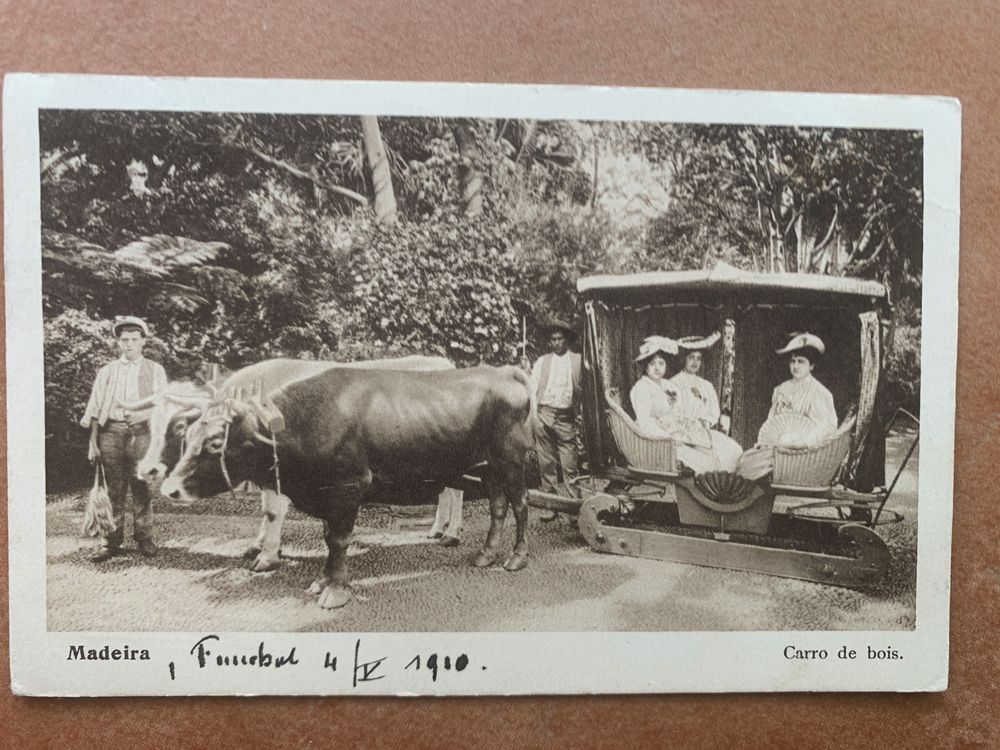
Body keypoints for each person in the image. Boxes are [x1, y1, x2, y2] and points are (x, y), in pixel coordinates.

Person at [80, 316, 167, 561]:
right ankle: (110, 541)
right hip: (111, 433)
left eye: (134, 339)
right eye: (124, 339)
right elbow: (95, 408)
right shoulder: (107, 371)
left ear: (143, 342)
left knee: (142, 487)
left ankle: (144, 538)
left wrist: (143, 416)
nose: (129, 344)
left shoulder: (155, 370)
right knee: (113, 489)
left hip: (142, 433)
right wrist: (93, 443)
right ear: (118, 342)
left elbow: (162, 405)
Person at [629, 336, 739, 475]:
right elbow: (644, 423)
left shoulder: (667, 385)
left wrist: (686, 429)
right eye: (652, 364)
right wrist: (669, 437)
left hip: (676, 431)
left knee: (713, 455)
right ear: (645, 366)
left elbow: (679, 412)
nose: (657, 368)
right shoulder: (641, 388)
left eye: (661, 363)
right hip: (656, 438)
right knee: (705, 462)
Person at [737, 332, 838, 480]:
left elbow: (827, 426)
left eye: (801, 361)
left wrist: (802, 443)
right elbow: (772, 422)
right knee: (744, 461)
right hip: (777, 447)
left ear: (811, 365)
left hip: (804, 453)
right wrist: (764, 443)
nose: (796, 366)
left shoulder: (820, 392)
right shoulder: (780, 389)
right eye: (792, 361)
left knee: (756, 469)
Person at [527, 320, 582, 513]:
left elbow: (585, 390)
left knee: (570, 464)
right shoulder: (542, 361)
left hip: (566, 417)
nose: (556, 343)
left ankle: (575, 508)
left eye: (559, 339)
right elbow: (532, 389)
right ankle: (550, 507)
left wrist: (581, 414)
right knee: (546, 463)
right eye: (553, 340)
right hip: (544, 413)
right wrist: (534, 417)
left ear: (566, 339)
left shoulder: (578, 361)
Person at [669, 333, 743, 471]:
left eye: (698, 358)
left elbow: (713, 411)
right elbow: (673, 413)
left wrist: (707, 421)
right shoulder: (673, 383)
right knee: (708, 459)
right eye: (691, 357)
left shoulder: (706, 385)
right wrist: (689, 424)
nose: (695, 362)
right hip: (683, 434)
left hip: (703, 431)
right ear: (684, 359)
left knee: (734, 451)